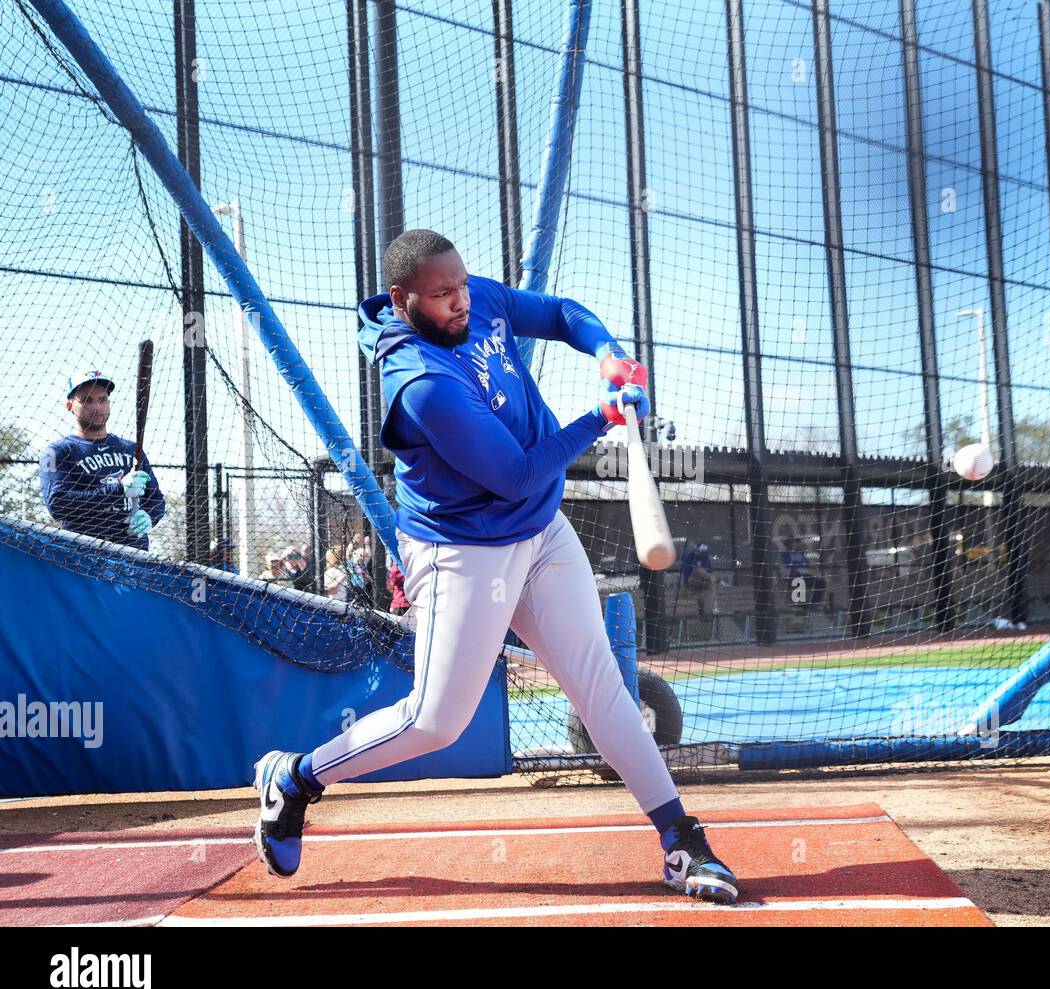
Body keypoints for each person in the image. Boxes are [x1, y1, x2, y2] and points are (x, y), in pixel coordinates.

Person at [252, 229, 738, 903]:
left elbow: (563, 313)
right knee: (435, 721)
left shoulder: (474, 297)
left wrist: (610, 357)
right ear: (402, 300)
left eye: (462, 286)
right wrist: (602, 417)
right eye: (443, 295)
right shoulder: (420, 381)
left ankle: (682, 839)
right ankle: (297, 778)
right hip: (463, 551)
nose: (461, 303)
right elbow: (513, 474)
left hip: (540, 530)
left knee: (601, 686)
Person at [40, 370, 165, 551]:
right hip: (83, 559)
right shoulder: (57, 452)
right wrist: (119, 490)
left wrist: (149, 517)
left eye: (102, 399)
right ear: (70, 405)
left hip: (132, 556)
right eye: (87, 400)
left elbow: (156, 500)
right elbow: (58, 504)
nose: (97, 407)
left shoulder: (132, 449)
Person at [679, 541, 718, 617]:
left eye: (705, 551)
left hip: (703, 583)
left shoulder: (706, 559)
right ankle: (710, 608)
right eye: (701, 551)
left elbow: (709, 570)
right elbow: (686, 572)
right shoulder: (690, 558)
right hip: (692, 580)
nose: (703, 553)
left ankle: (712, 609)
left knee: (709, 587)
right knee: (700, 571)